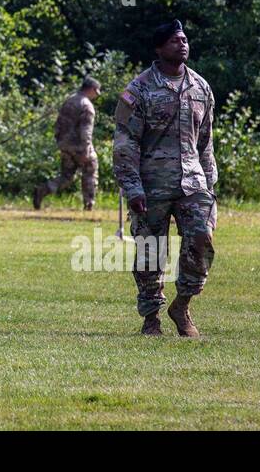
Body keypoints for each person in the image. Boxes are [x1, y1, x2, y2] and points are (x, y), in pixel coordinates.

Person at [112, 19, 218, 338]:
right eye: (174, 40)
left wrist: (210, 187)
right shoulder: (138, 89)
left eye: (184, 39)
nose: (182, 44)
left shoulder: (201, 88)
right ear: (159, 49)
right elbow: (125, 142)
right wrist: (131, 187)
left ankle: (182, 305)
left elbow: (206, 143)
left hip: (193, 183)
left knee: (202, 240)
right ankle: (150, 318)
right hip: (150, 185)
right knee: (151, 252)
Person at [34, 77, 101, 211]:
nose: (98, 94)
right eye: (97, 90)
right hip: (79, 147)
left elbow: (58, 124)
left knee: (67, 176)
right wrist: (86, 151)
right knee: (90, 169)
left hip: (65, 145)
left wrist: (60, 143)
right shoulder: (87, 106)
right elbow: (85, 132)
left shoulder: (69, 100)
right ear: (91, 89)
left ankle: (42, 190)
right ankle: (89, 204)